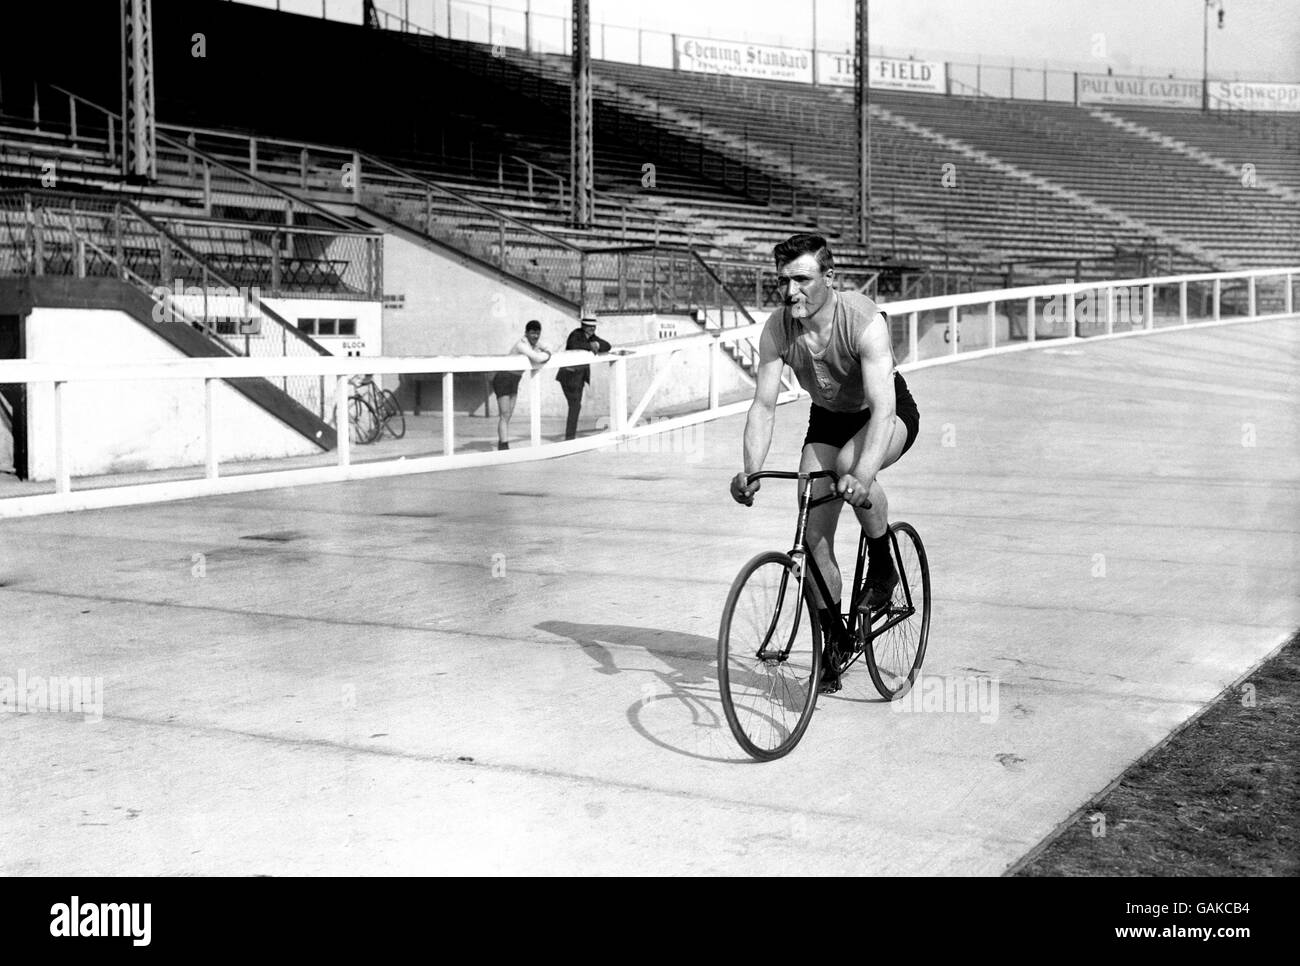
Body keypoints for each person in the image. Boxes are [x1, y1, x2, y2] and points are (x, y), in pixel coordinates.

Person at [729, 234, 920, 693]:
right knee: (811, 529)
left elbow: (883, 409)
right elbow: (764, 407)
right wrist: (749, 470)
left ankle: (882, 562)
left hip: (884, 414)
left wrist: (862, 477)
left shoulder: (862, 319)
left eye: (802, 279)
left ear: (828, 278)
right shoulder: (778, 329)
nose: (791, 291)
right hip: (828, 419)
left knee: (852, 467)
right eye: (783, 281)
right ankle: (833, 633)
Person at [491, 320, 552, 450]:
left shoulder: (534, 343)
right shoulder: (521, 345)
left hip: (514, 380)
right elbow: (537, 358)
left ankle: (502, 442)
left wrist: (546, 352)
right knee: (504, 414)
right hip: (503, 378)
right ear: (526, 333)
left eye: (538, 334)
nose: (535, 336)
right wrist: (547, 354)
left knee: (508, 415)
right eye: (532, 333)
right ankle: (503, 446)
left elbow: (548, 347)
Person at [556, 312, 611, 441]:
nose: (592, 328)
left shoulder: (592, 337)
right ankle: (570, 438)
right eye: (589, 326)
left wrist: (596, 345)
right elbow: (574, 345)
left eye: (594, 326)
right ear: (583, 325)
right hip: (568, 376)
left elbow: (607, 345)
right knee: (575, 405)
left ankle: (570, 437)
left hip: (579, 377)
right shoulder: (576, 334)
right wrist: (591, 346)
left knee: (575, 405)